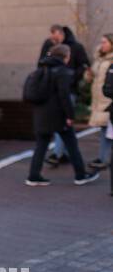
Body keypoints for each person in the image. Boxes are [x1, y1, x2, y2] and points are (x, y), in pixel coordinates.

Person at [26, 43, 98, 186]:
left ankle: (33, 176)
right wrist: (70, 116)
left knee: (41, 145)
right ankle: (80, 175)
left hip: (41, 113)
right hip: (59, 115)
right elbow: (64, 96)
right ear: (65, 56)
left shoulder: (42, 68)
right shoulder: (62, 72)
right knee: (72, 144)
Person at [37, 23, 90, 166]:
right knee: (64, 125)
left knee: (64, 123)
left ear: (61, 33)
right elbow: (41, 64)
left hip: (68, 89)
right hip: (52, 91)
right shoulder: (50, 47)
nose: (54, 39)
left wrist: (73, 76)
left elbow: (84, 64)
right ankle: (64, 156)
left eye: (55, 36)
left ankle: (58, 154)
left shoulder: (75, 48)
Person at [86, 33, 113, 171]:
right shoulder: (100, 59)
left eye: (105, 42)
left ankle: (104, 158)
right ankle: (102, 157)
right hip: (98, 100)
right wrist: (89, 74)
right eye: (101, 42)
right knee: (105, 131)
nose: (102, 45)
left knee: (107, 131)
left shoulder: (111, 61)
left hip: (108, 101)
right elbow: (91, 79)